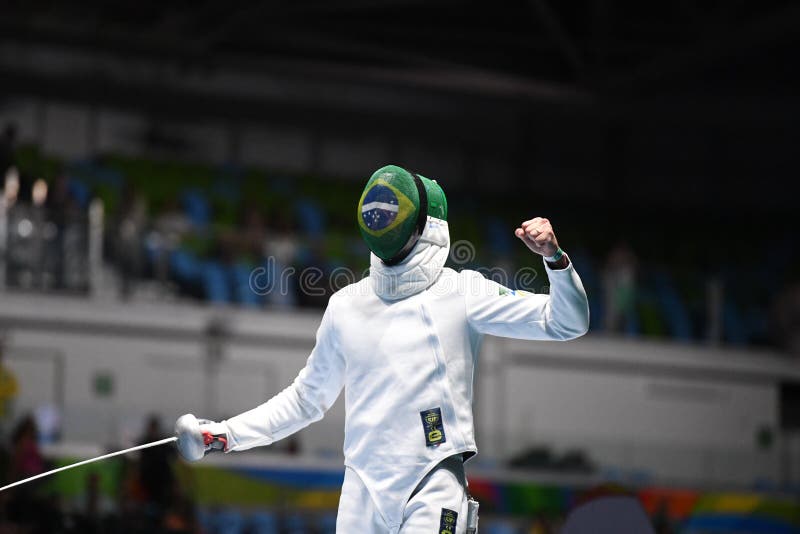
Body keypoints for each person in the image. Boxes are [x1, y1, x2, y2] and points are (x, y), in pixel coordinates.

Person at [175, 165, 590, 533]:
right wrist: (225, 434)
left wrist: (555, 260)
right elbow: (305, 400)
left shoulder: (461, 292)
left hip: (433, 485)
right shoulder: (346, 305)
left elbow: (566, 321)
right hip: (362, 491)